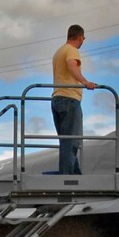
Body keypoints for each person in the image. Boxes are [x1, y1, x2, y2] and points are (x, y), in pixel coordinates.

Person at [51, 23, 96, 174]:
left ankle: (73, 173)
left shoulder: (59, 51)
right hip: (69, 99)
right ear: (79, 37)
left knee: (66, 141)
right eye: (83, 38)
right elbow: (71, 65)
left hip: (57, 99)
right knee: (72, 141)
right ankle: (68, 176)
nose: (83, 41)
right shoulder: (72, 50)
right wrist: (85, 82)